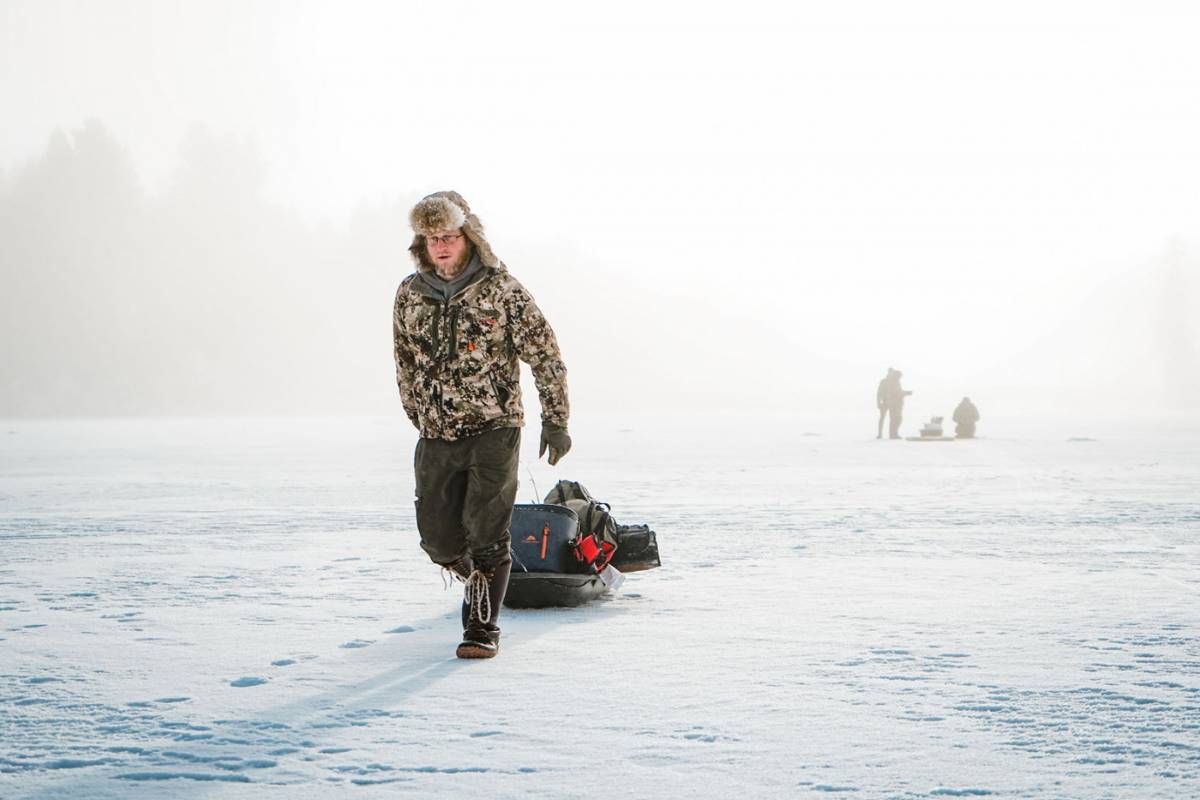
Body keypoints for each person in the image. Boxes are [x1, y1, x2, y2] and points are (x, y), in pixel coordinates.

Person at [392, 191, 570, 659]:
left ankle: (481, 629)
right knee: (438, 539)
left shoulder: (502, 290)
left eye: (449, 236)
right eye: (432, 239)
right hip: (436, 433)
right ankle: (479, 579)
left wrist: (556, 420)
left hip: (495, 426)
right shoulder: (409, 293)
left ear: (467, 237)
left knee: (487, 533)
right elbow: (404, 361)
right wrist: (419, 411)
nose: (441, 246)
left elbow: (545, 355)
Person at [878, 369, 913, 439]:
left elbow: (898, 391)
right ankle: (887, 434)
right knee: (893, 419)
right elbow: (881, 392)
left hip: (893, 403)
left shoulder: (896, 381)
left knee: (895, 419)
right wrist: (907, 393)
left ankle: (893, 434)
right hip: (890, 403)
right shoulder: (888, 381)